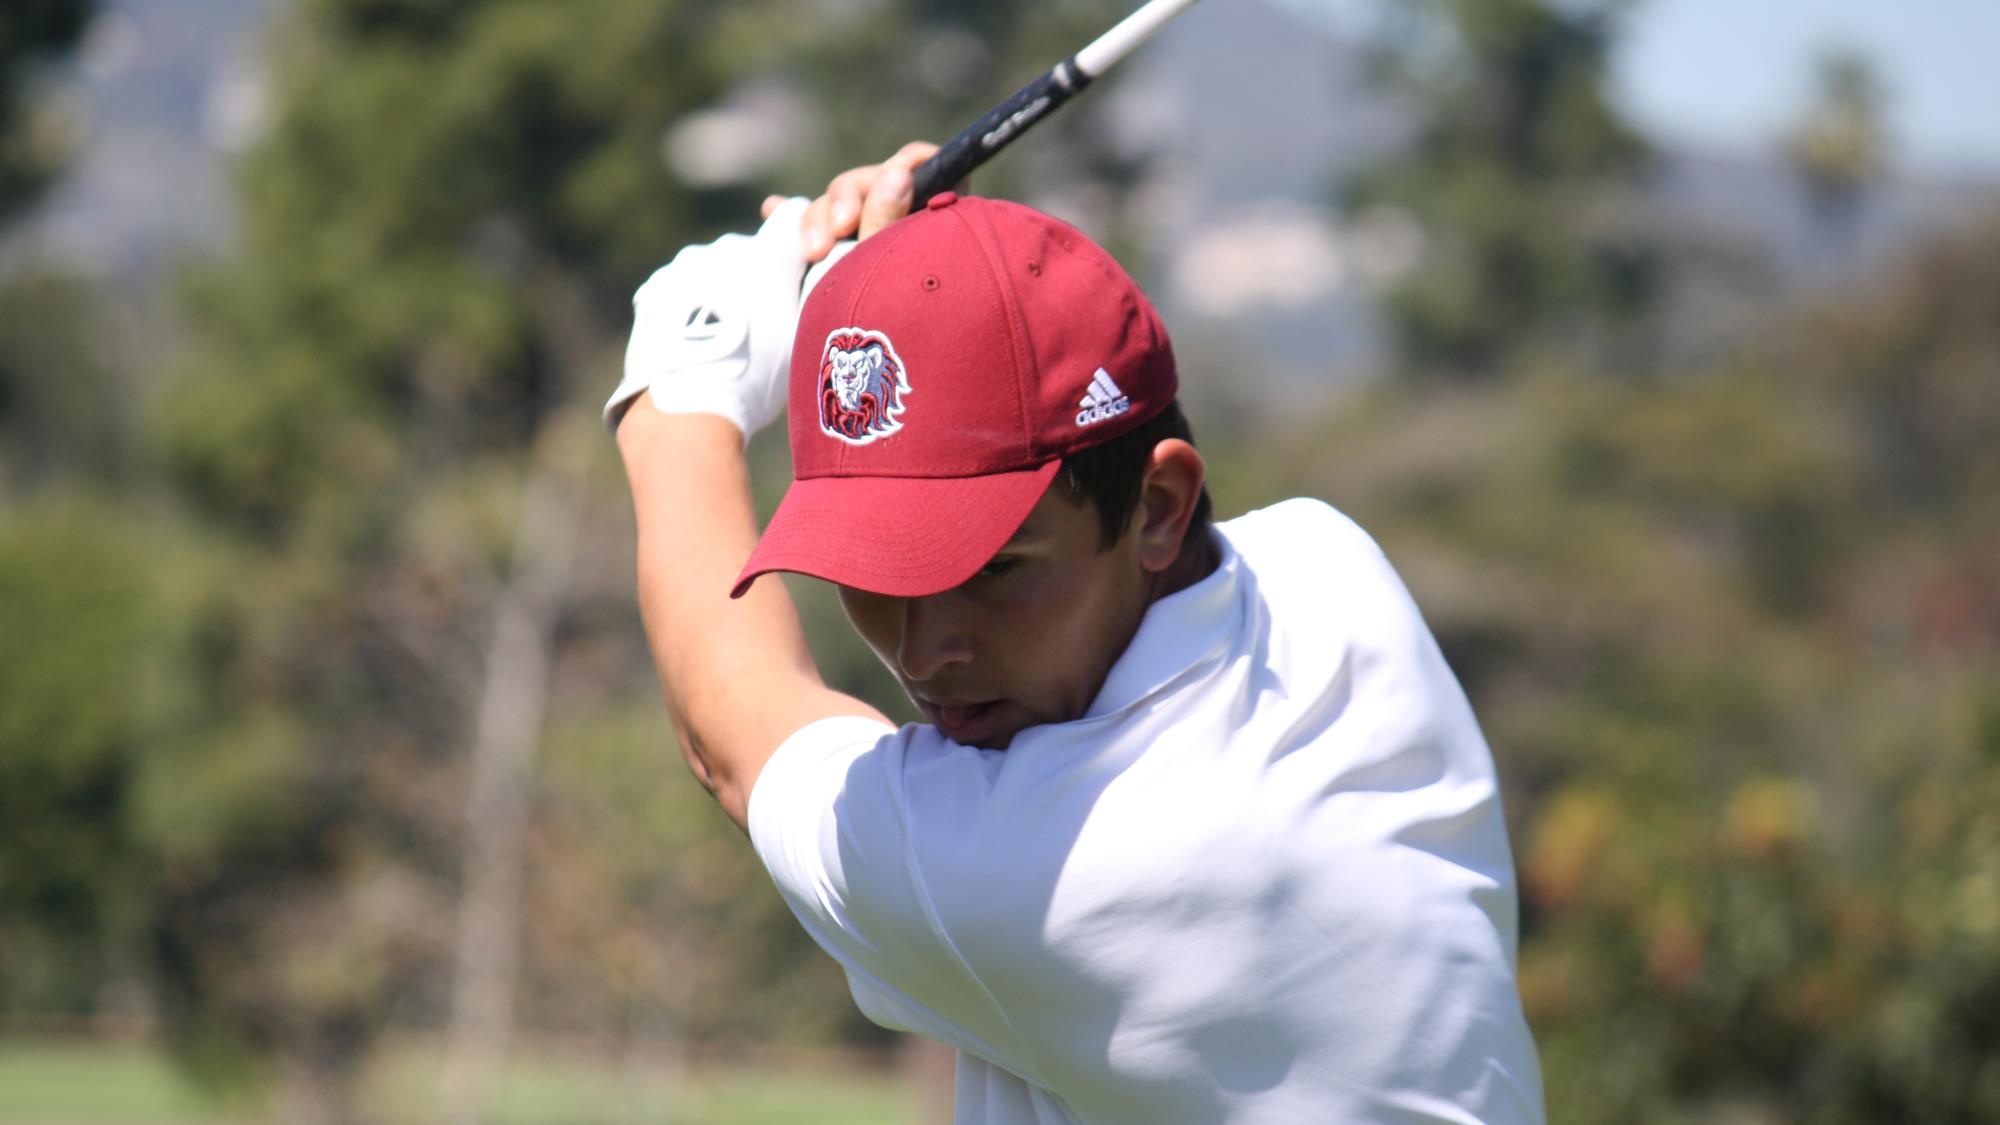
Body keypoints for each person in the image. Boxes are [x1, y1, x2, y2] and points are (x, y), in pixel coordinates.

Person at [606, 142, 1546, 1124]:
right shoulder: (1327, 567)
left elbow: (731, 723)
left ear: (1159, 505)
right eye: (872, 570)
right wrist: (915, 296)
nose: (923, 653)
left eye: (994, 568)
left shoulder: (1071, 871)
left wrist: (679, 396)